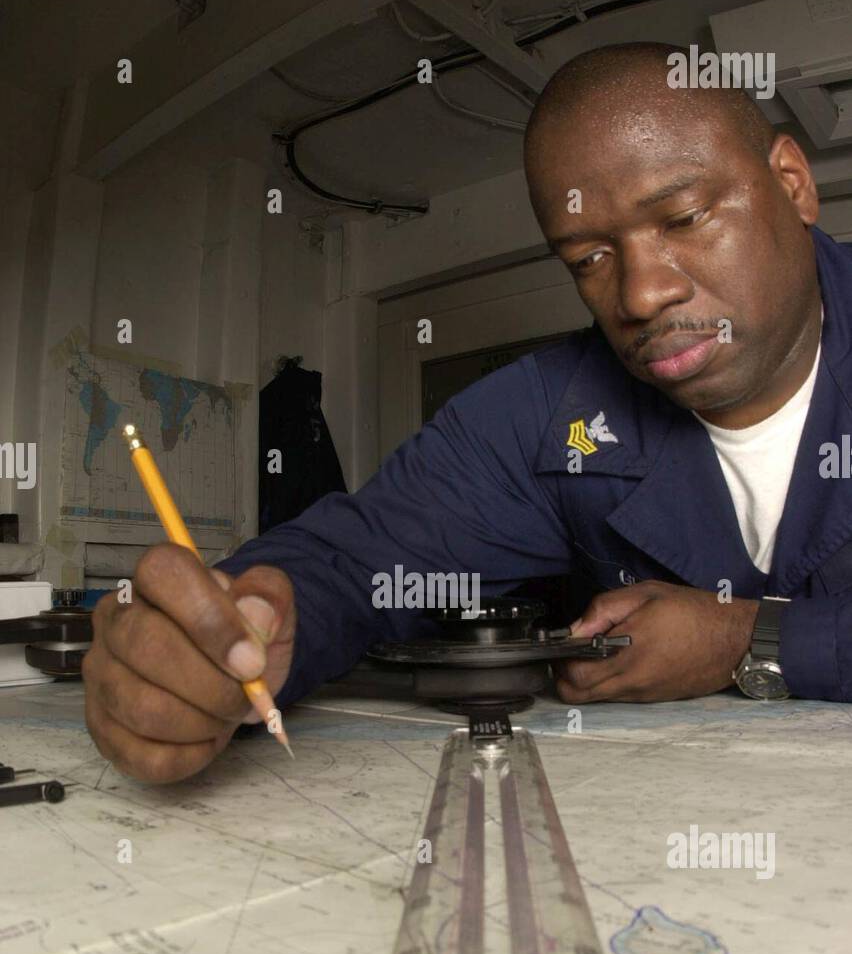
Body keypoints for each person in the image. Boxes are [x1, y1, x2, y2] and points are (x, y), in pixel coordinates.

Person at [82, 42, 851, 784]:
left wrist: (745, 637)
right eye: (588, 258)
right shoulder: (547, 410)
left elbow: (748, 634)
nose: (641, 294)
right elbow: (357, 563)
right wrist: (238, 631)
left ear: (791, 183)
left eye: (682, 218)